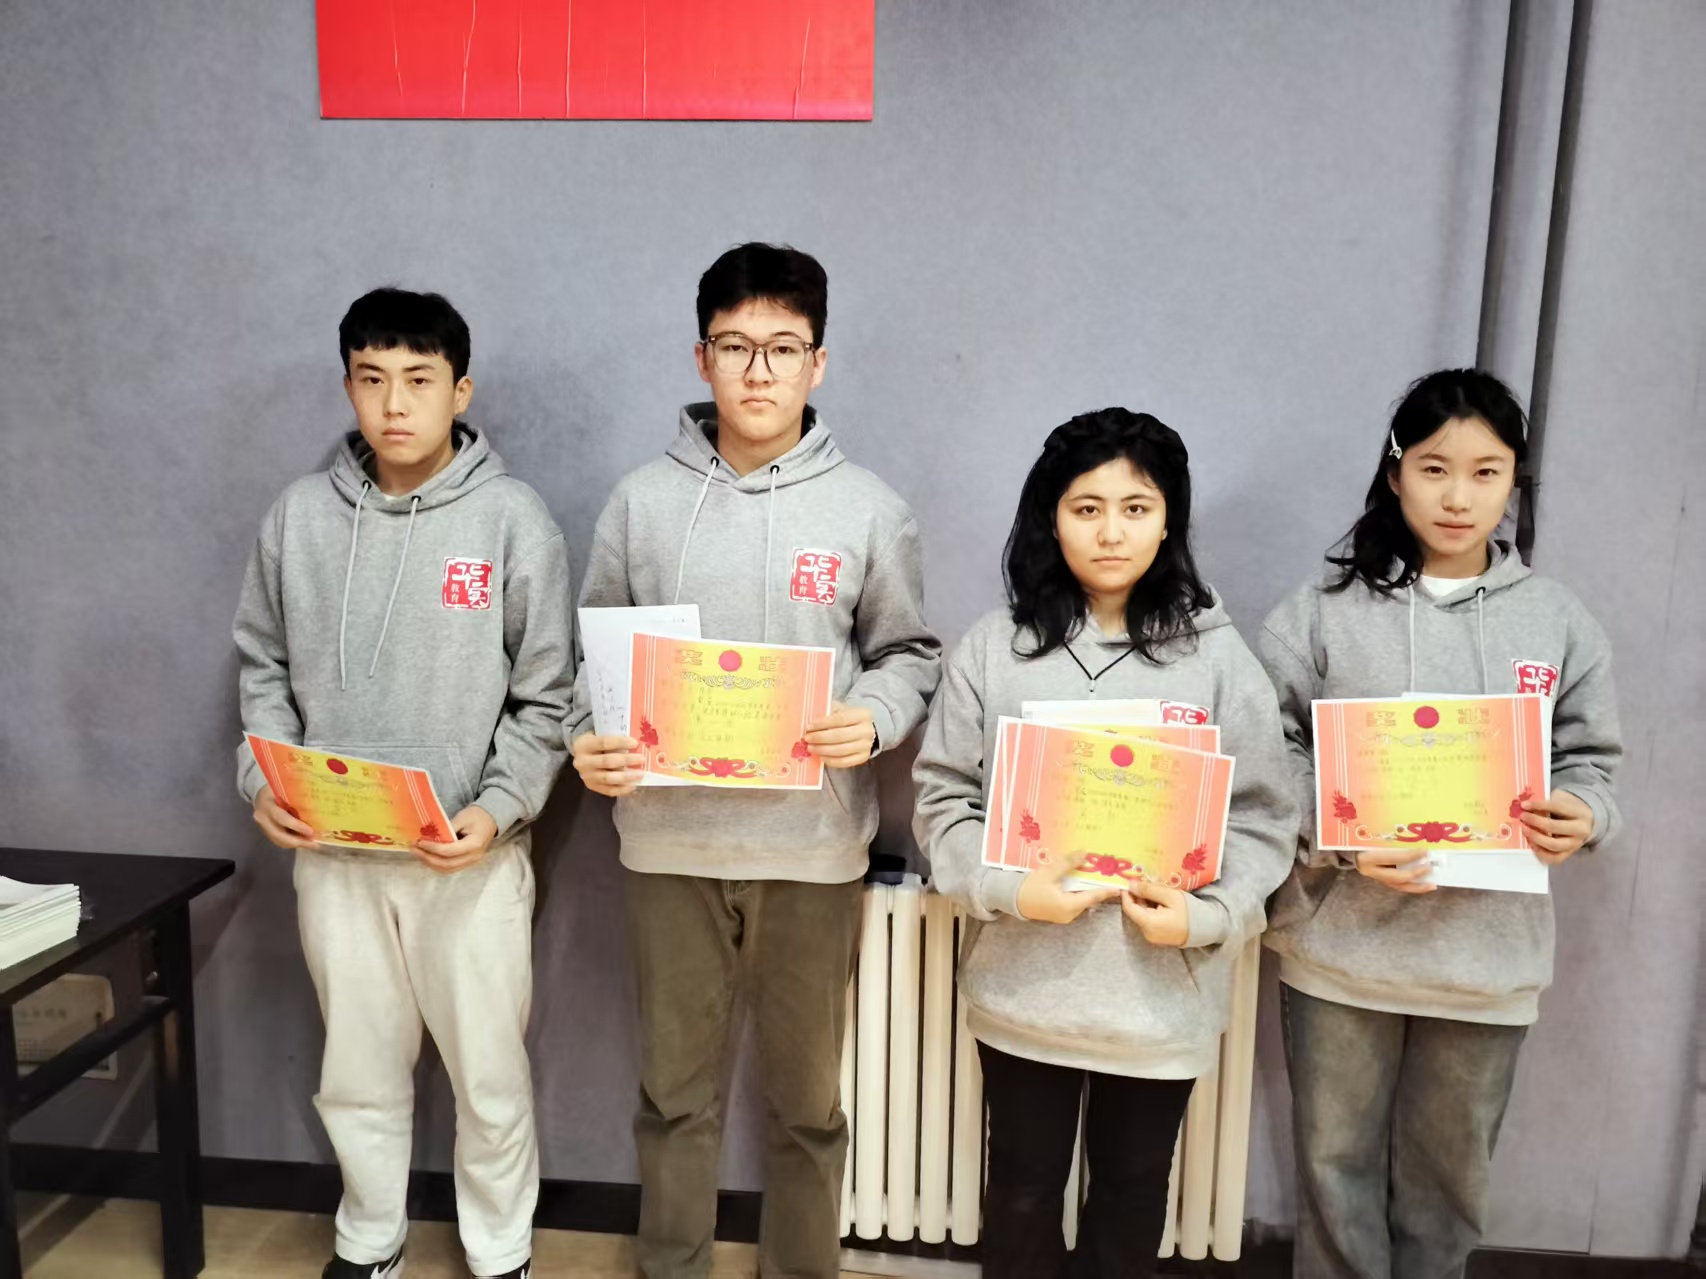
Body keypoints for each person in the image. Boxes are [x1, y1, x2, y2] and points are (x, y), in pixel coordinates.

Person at [565, 243, 941, 1279]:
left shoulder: (868, 507)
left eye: (782, 347)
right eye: (735, 346)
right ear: (701, 358)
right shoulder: (640, 502)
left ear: (818, 362)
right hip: (668, 844)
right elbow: (587, 658)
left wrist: (872, 717)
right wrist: (586, 738)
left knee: (806, 1105)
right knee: (672, 1096)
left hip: (810, 848)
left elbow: (910, 654)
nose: (758, 370)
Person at [235, 287, 573, 1279]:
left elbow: (546, 694)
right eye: (372, 378)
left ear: (460, 390)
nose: (394, 403)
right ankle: (368, 1237)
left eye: (419, 380)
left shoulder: (512, 520)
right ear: (347, 385)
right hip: (334, 856)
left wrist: (496, 810)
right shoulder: (298, 518)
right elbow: (261, 667)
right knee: (356, 1069)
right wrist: (262, 777)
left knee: (489, 1077)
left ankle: (499, 1248)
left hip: (466, 858)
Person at [913, 407, 1297, 1278]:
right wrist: (1010, 890)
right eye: (1087, 508)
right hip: (1026, 991)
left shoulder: (1219, 659)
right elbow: (941, 798)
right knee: (1019, 1194)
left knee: (1130, 1199)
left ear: (1169, 521)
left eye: (1136, 507)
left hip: (1162, 997)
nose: (1112, 531)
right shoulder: (996, 648)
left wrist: (1206, 916)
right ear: (1051, 518)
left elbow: (1265, 817)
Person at [1257, 368, 1622, 1279]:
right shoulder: (1320, 614)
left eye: (1486, 472)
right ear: (1395, 474)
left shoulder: (1557, 620)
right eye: (1434, 468)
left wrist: (1584, 812)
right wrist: (1338, 830)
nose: (1459, 496)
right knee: (1334, 1177)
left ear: (1514, 482)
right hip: (1341, 954)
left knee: (1447, 1191)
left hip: (1485, 962)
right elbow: (1265, 756)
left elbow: (1592, 761)